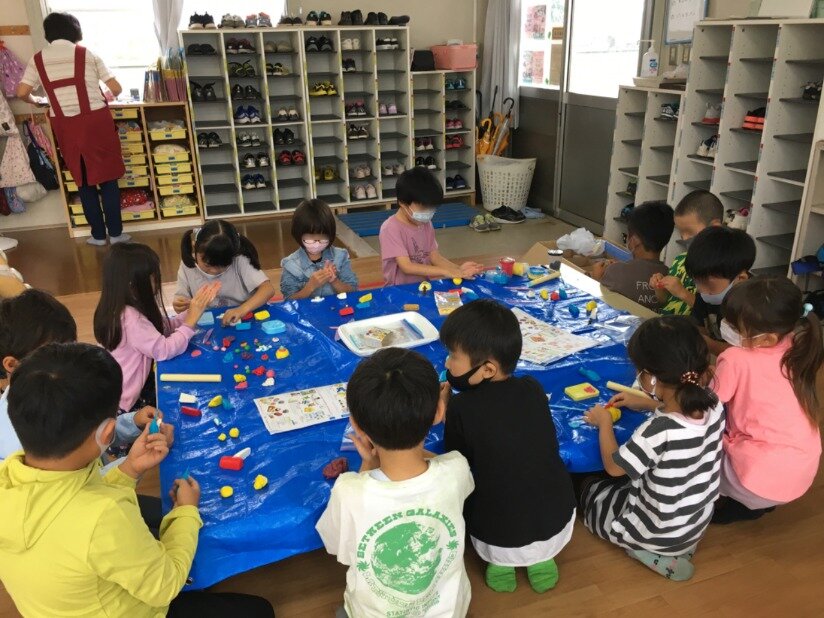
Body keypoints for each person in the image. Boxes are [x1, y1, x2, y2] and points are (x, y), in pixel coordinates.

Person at [0, 342, 275, 617]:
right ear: (107, 432)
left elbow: (72, 500)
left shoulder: (12, 472)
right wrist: (186, 511)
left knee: (160, 518)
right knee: (260, 610)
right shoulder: (105, 517)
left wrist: (129, 468)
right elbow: (164, 586)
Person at [316, 348, 474, 618]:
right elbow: (441, 467)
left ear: (356, 425)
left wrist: (369, 464)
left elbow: (336, 546)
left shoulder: (349, 490)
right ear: (439, 412)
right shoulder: (457, 468)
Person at [441, 300, 576, 594]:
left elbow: (456, 459)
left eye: (452, 356)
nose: (447, 364)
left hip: (497, 525)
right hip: (555, 511)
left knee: (477, 490)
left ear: (488, 369)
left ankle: (501, 563)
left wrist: (447, 411)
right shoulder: (532, 387)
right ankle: (542, 559)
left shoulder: (462, 407)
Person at [581, 316, 724, 581]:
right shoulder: (714, 403)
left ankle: (646, 552)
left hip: (655, 532)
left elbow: (614, 468)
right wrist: (650, 404)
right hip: (694, 523)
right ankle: (680, 548)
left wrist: (604, 423)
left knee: (590, 490)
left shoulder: (659, 431)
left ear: (650, 379)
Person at [710, 277, 823, 524]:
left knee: (701, 442)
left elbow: (708, 404)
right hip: (800, 473)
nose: (726, 327)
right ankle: (759, 503)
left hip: (756, 478)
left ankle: (736, 505)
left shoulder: (735, 358)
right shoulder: (796, 348)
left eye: (734, 326)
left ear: (768, 339)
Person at [16, 12, 128, 246]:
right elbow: (116, 88)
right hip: (96, 124)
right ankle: (117, 235)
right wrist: (105, 97)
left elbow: (22, 92)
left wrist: (38, 101)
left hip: (66, 126)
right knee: (108, 180)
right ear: (75, 31)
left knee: (84, 182)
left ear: (48, 33)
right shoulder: (88, 55)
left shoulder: (38, 60)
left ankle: (98, 236)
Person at [94, 244, 219, 446]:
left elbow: (163, 327)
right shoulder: (130, 318)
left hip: (129, 384)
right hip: (127, 400)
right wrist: (190, 323)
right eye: (153, 277)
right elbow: (164, 350)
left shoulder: (128, 305)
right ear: (133, 284)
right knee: (144, 439)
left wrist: (191, 312)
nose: (156, 281)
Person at [0, 289, 77, 460]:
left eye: (72, 349)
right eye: (52, 355)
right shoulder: (19, 441)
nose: (68, 363)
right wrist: (127, 468)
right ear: (12, 364)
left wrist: (131, 422)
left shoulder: (63, 386)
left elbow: (92, 432)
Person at [379, 168, 484, 286]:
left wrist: (459, 270)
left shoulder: (425, 223)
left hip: (423, 286)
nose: (428, 213)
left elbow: (434, 257)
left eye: (431, 208)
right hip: (398, 290)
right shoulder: (390, 228)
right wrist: (446, 271)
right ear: (403, 203)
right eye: (423, 208)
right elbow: (406, 266)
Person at [173, 220, 275, 326]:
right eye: (207, 265)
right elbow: (181, 301)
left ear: (233, 254)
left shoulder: (239, 259)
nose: (214, 271)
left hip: (242, 318)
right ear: (195, 247)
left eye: (222, 266)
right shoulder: (187, 265)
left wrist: (242, 309)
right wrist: (180, 305)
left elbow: (268, 289)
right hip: (206, 321)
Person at [684, 226, 755, 356]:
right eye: (697, 282)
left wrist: (707, 343)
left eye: (708, 284)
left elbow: (742, 354)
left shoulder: (754, 306)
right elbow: (698, 324)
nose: (700, 289)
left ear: (741, 279)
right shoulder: (705, 291)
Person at [650, 190, 723, 315]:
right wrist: (659, 288)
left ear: (714, 227)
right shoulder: (681, 260)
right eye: (680, 232)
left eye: (689, 231)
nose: (684, 238)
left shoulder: (723, 269)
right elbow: (664, 302)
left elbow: (713, 316)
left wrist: (682, 293)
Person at [592, 201, 674, 311]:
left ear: (634, 240)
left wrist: (596, 278)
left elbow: (599, 303)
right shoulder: (668, 276)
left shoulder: (615, 271)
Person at [280, 199, 358, 299]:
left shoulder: (340, 256)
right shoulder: (290, 265)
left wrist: (335, 281)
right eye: (311, 237)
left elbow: (353, 290)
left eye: (322, 237)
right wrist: (310, 287)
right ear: (298, 233)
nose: (317, 243)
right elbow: (289, 300)